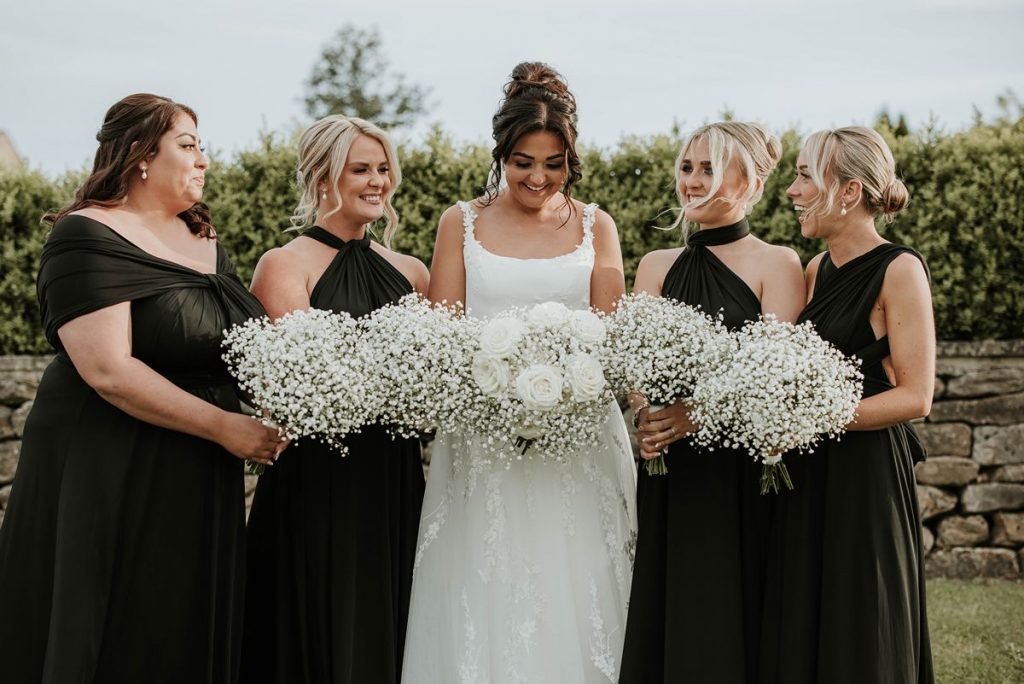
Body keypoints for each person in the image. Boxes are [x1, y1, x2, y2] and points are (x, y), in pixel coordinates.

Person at [0, 93, 283, 683]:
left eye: (203, 147)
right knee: (108, 619)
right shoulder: (86, 234)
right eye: (188, 145)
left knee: (177, 622)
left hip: (196, 467)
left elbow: (235, 349)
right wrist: (227, 427)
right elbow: (109, 369)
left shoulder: (205, 242)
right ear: (139, 155)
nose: (203, 160)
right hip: (108, 458)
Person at [401, 62, 637, 683]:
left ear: (570, 161)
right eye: (523, 161)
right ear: (502, 154)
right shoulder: (462, 221)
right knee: (485, 574)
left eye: (553, 163)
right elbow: (446, 334)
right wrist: (498, 394)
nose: (538, 177)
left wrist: (565, 388)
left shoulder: (597, 225)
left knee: (580, 573)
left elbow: (612, 339)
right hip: (483, 440)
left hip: (578, 436)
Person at [241, 115, 428, 684]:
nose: (378, 182)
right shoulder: (283, 265)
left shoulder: (413, 273)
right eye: (361, 169)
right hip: (318, 478)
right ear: (324, 177)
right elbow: (296, 388)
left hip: (393, 478)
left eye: (383, 169)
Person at [619, 121, 805, 683]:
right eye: (687, 168)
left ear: (748, 180)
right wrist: (643, 414)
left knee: (736, 607)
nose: (692, 181)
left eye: (709, 168)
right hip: (671, 470)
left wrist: (692, 416)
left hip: (743, 470)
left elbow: (774, 376)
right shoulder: (655, 265)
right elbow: (634, 363)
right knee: (673, 605)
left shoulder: (779, 263)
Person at [760, 126, 934, 683]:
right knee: (812, 618)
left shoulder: (899, 270)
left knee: (863, 620)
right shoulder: (816, 270)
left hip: (867, 478)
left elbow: (916, 396)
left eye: (805, 175)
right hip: (813, 473)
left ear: (850, 191)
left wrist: (810, 418)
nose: (792, 191)